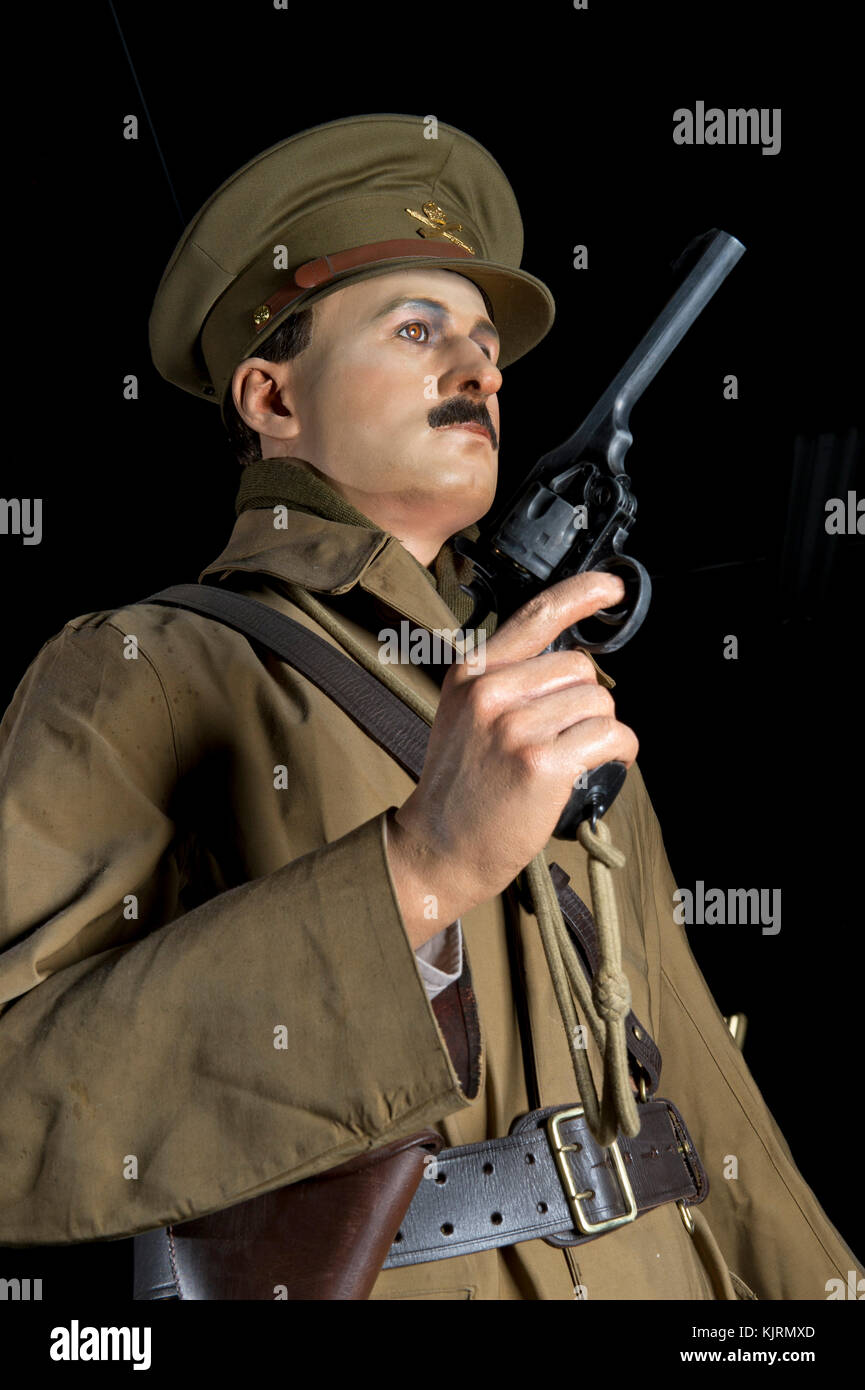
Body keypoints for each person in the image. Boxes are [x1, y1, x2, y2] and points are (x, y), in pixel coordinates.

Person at [0, 114, 859, 1301]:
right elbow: (15, 1116)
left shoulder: (543, 693)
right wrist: (417, 870)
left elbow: (706, 1102)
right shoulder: (145, 665)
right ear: (272, 398)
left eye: (483, 345)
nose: (479, 370)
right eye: (416, 329)